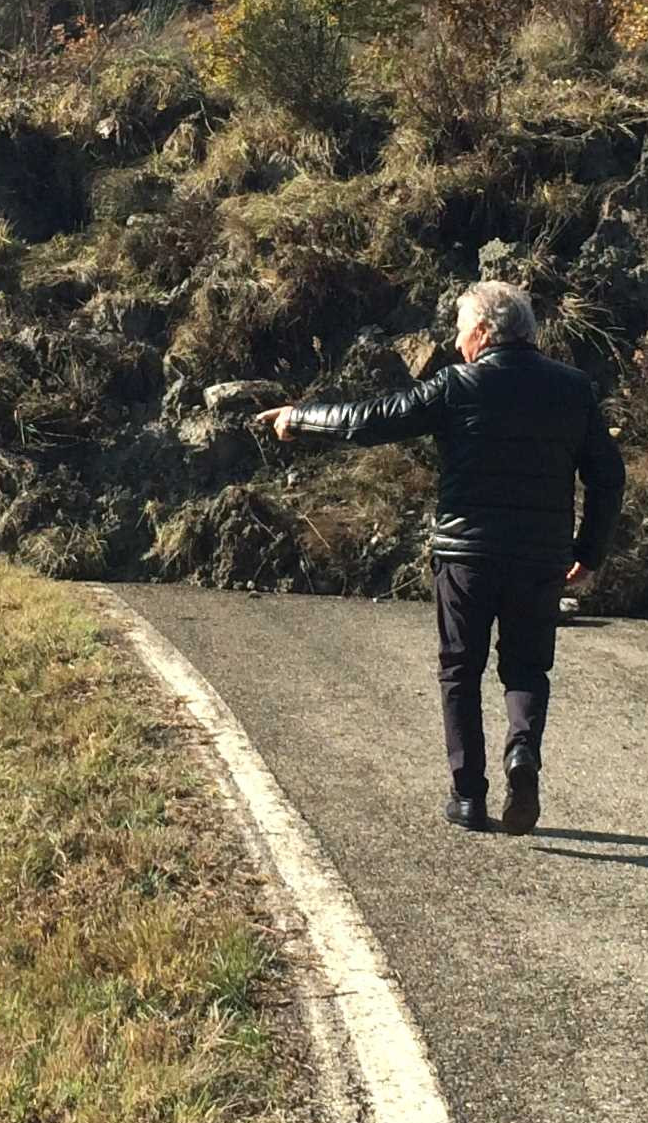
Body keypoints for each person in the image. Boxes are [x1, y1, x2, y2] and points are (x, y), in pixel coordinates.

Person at [262, 281, 623, 836]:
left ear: (483, 332)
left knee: (460, 669)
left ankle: (468, 795)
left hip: (466, 557)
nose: (456, 344)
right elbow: (608, 475)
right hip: (540, 558)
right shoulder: (573, 389)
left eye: (460, 330)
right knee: (527, 667)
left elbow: (372, 419)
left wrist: (301, 418)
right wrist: (589, 549)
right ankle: (522, 752)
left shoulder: (458, 385)